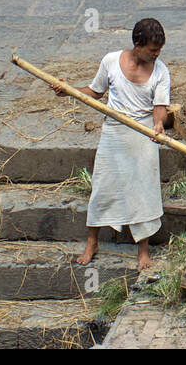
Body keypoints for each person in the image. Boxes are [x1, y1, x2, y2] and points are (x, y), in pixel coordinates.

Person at [66, 18, 170, 272]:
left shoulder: (160, 71)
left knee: (143, 191)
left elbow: (160, 109)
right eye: (152, 50)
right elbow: (95, 92)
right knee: (103, 187)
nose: (156, 55)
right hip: (114, 131)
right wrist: (69, 89)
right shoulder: (111, 61)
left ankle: (143, 249)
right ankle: (92, 243)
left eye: (159, 50)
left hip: (142, 133)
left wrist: (158, 126)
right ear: (137, 45)